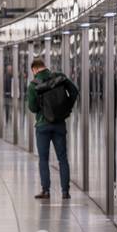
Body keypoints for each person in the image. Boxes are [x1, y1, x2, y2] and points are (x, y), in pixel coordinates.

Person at [26, 56, 80, 201]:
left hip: (43, 125)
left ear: (35, 69)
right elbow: (74, 91)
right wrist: (66, 108)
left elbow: (32, 107)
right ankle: (65, 192)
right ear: (45, 66)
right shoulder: (59, 77)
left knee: (43, 159)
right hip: (59, 124)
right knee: (62, 158)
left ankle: (46, 190)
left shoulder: (33, 85)